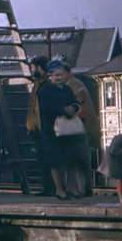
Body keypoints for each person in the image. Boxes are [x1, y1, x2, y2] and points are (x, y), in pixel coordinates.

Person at [38, 60, 88, 199]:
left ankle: (71, 189)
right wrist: (64, 110)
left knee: (69, 160)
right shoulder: (44, 90)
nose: (59, 77)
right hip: (51, 130)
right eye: (56, 75)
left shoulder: (66, 89)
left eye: (61, 74)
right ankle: (59, 189)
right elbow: (47, 108)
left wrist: (74, 107)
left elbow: (75, 102)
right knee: (55, 161)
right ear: (50, 75)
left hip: (68, 131)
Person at [25, 55, 55, 195]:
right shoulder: (38, 85)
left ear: (40, 68)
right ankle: (48, 187)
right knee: (42, 160)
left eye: (33, 68)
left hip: (45, 129)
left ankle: (51, 188)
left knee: (47, 160)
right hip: (38, 129)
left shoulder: (46, 86)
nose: (31, 71)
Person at [101, 132, 122, 205]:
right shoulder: (119, 138)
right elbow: (113, 151)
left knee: (120, 179)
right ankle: (121, 198)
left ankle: (121, 198)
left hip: (118, 161)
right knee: (119, 179)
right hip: (115, 162)